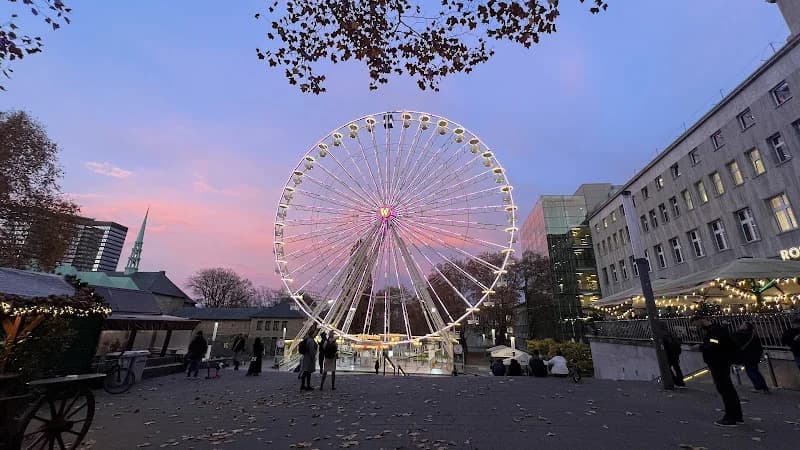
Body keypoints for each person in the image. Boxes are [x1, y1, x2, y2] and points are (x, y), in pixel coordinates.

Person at [692, 314, 742, 427]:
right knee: (727, 389)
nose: (697, 327)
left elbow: (715, 343)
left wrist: (701, 347)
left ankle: (731, 417)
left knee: (725, 389)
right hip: (720, 361)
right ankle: (736, 415)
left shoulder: (715, 331)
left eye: (696, 324)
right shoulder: (716, 329)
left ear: (701, 320)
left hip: (719, 362)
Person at [733, 322, 769, 393]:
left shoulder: (741, 334)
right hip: (754, 356)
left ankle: (758, 387)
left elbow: (733, 340)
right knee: (755, 371)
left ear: (745, 327)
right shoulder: (753, 335)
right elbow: (759, 347)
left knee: (751, 372)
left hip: (747, 356)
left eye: (742, 325)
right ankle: (764, 387)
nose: (740, 325)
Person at [660, 323, 686, 388]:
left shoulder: (662, 335)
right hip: (675, 353)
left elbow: (663, 346)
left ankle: (675, 381)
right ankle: (681, 382)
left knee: (667, 368)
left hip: (669, 354)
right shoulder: (671, 333)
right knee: (677, 367)